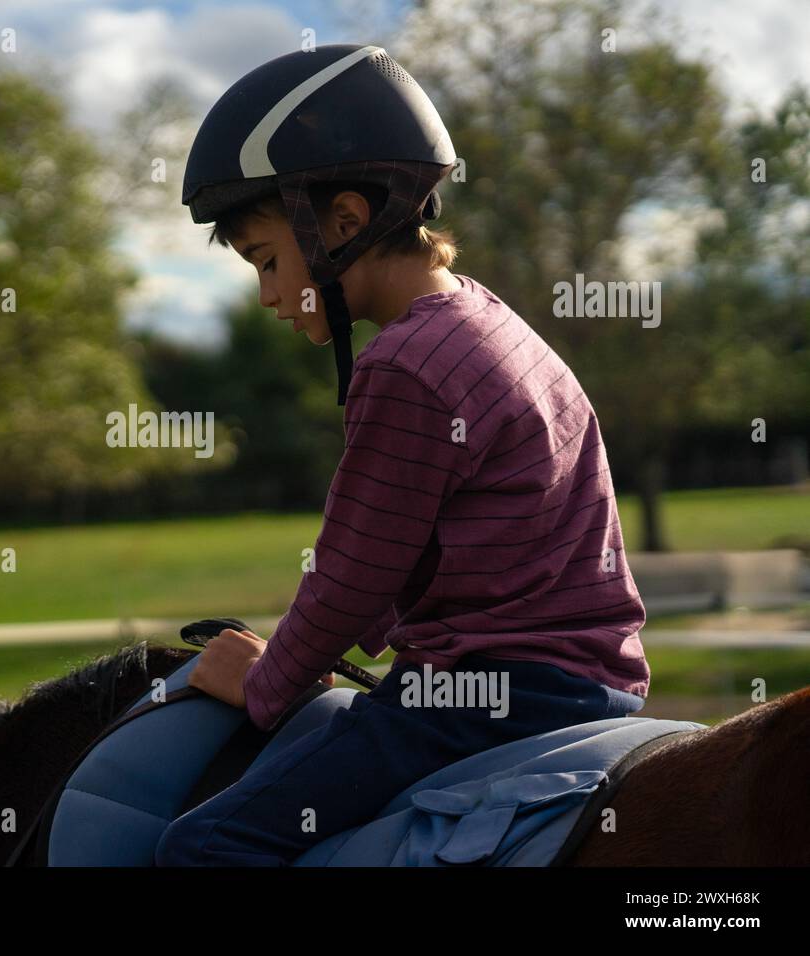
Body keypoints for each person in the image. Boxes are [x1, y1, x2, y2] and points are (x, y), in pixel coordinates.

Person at [154, 44, 650, 866]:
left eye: (268, 261)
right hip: (592, 679)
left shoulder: (406, 366)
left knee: (204, 845)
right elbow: (435, 540)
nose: (268, 295)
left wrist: (268, 682)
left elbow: (352, 573)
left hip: (482, 698)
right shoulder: (489, 322)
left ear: (344, 221)